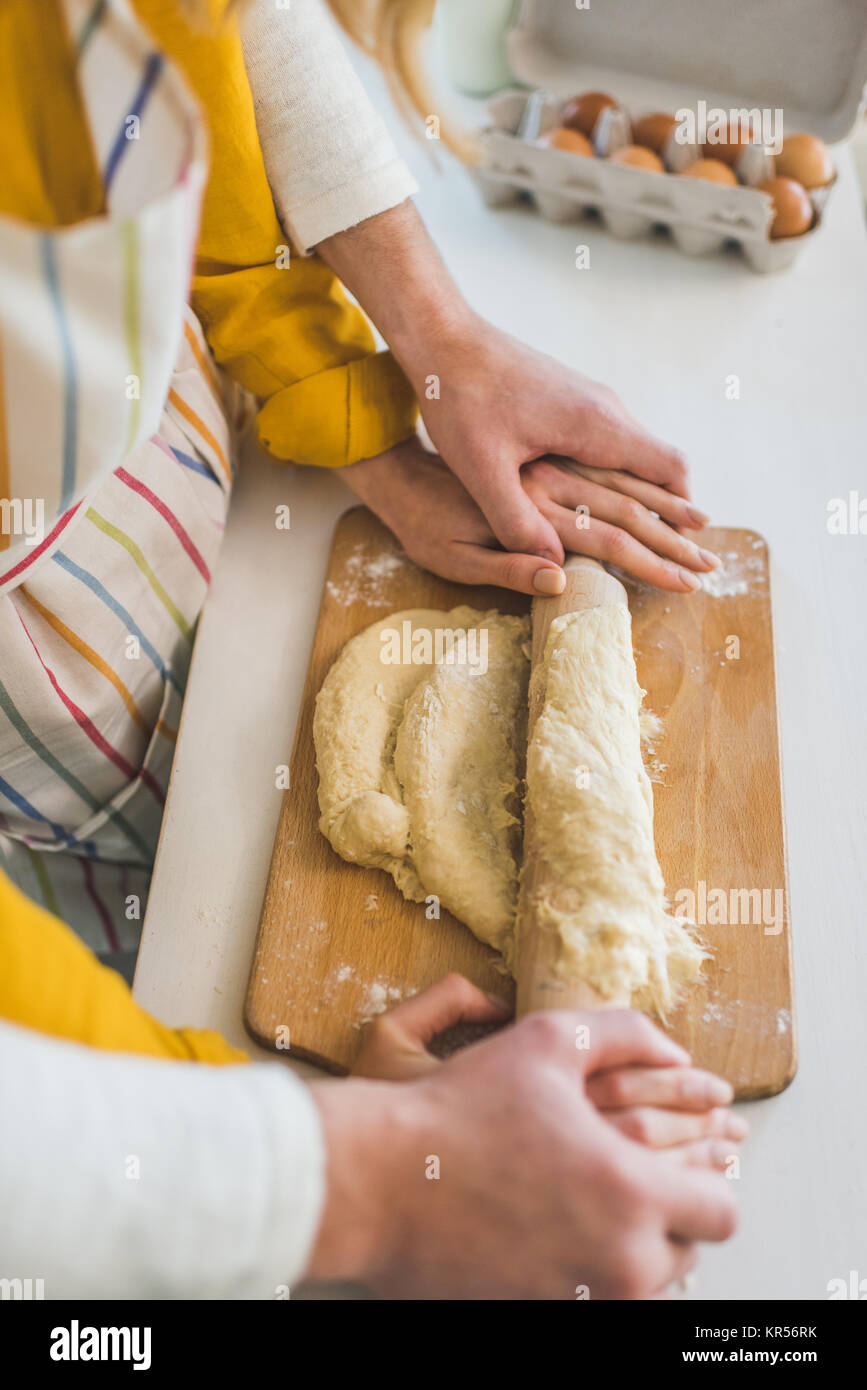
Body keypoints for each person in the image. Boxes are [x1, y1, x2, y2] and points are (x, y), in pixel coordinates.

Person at [0, 0, 739, 1298]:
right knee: (171, 919)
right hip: (42, 690)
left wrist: (417, 354)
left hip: (176, 462)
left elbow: (191, 26)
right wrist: (349, 1174)